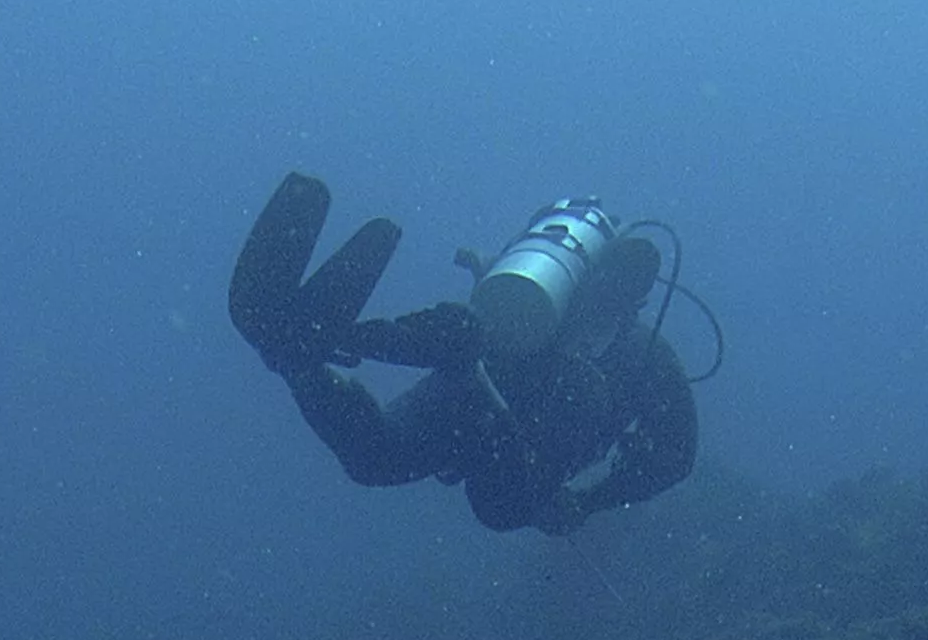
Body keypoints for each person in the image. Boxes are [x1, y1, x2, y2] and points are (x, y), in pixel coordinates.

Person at [227, 174, 698, 535]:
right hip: (516, 449)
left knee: (376, 455)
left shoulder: (530, 318)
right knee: (501, 502)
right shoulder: (646, 354)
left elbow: (675, 454)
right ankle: (310, 351)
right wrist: (589, 501)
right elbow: (675, 454)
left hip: (480, 382)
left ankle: (300, 355)